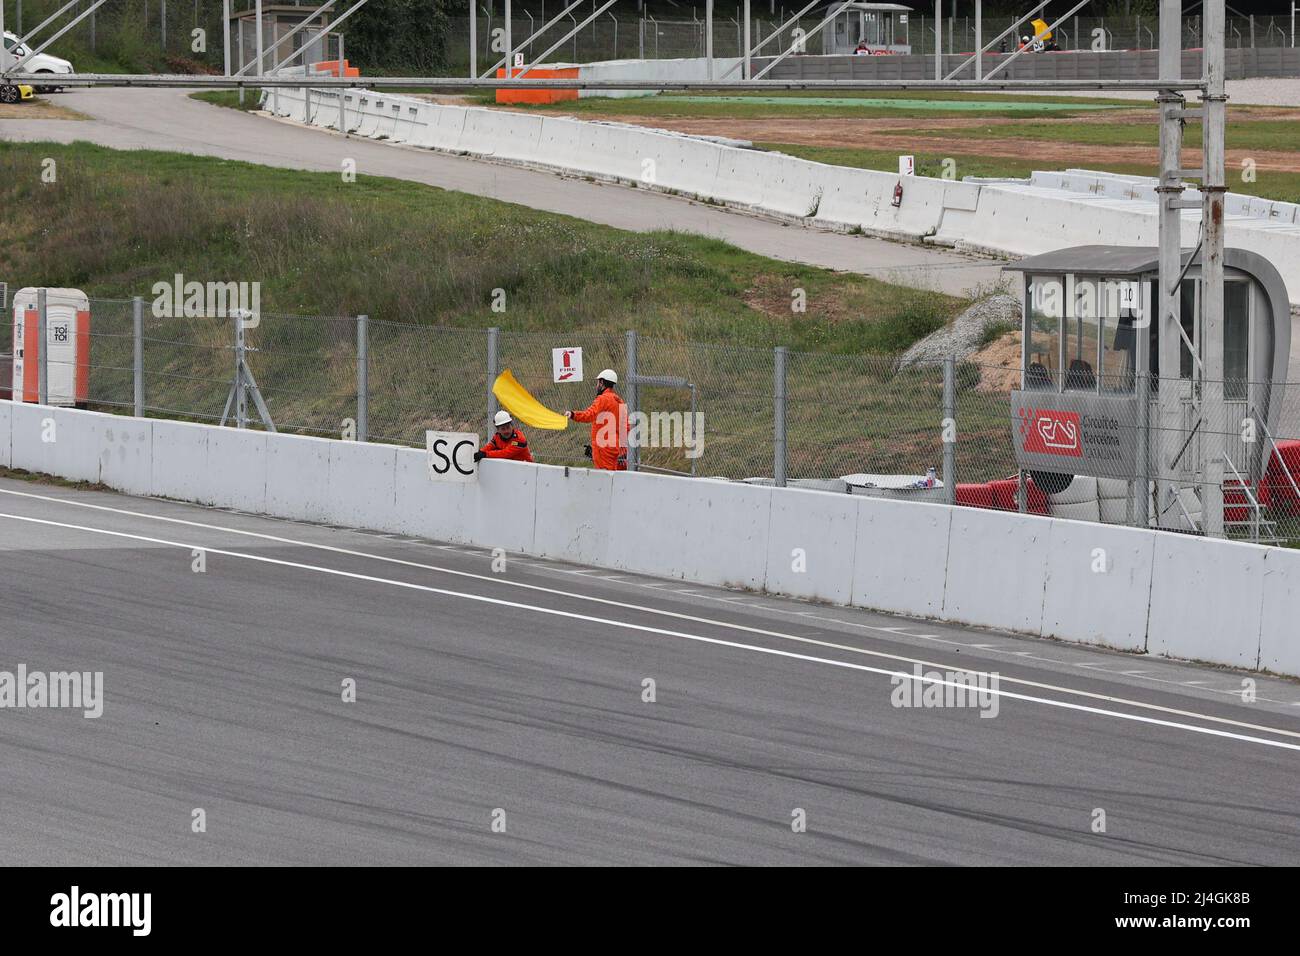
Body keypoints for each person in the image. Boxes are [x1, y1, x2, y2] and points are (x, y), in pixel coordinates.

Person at [567, 368, 627, 471]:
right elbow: (626, 427)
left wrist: (573, 414)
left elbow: (589, 414)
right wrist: (623, 450)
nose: (597, 385)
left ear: (602, 383)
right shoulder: (619, 401)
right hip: (616, 449)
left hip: (603, 449)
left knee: (605, 480)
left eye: (598, 382)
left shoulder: (602, 399)